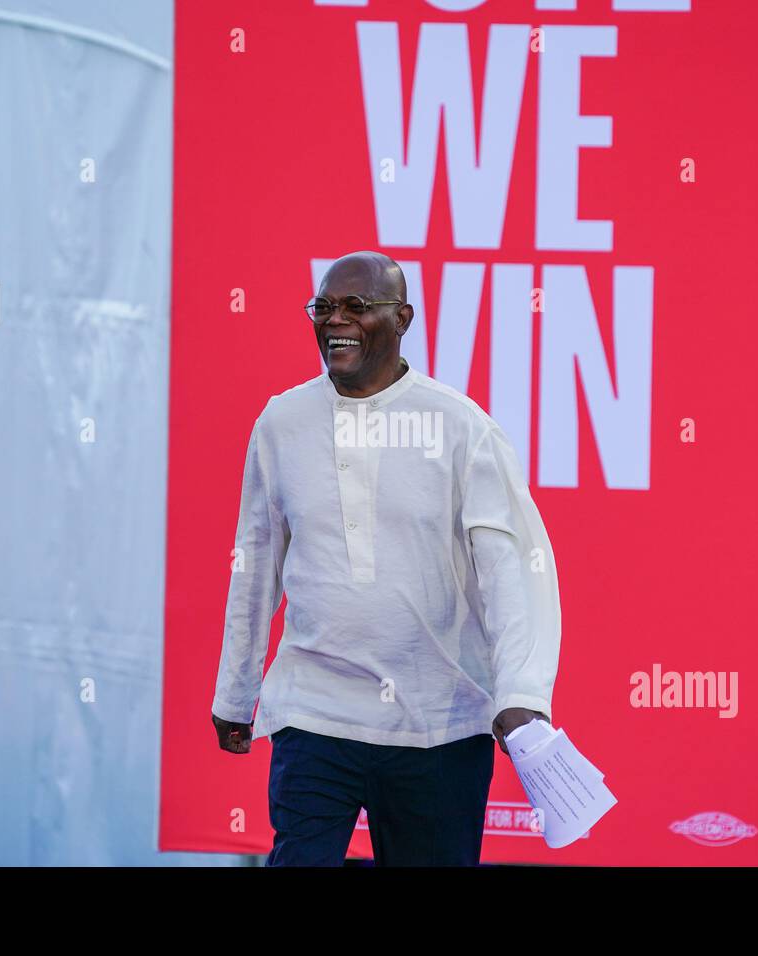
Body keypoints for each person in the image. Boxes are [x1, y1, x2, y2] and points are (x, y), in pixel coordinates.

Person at [210, 250, 561, 866]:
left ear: (403, 318)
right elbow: (255, 561)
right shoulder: (282, 423)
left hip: (439, 720)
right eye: (323, 307)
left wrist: (522, 690)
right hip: (314, 709)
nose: (334, 320)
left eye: (356, 306)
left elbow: (513, 569)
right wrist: (236, 694)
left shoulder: (460, 427)